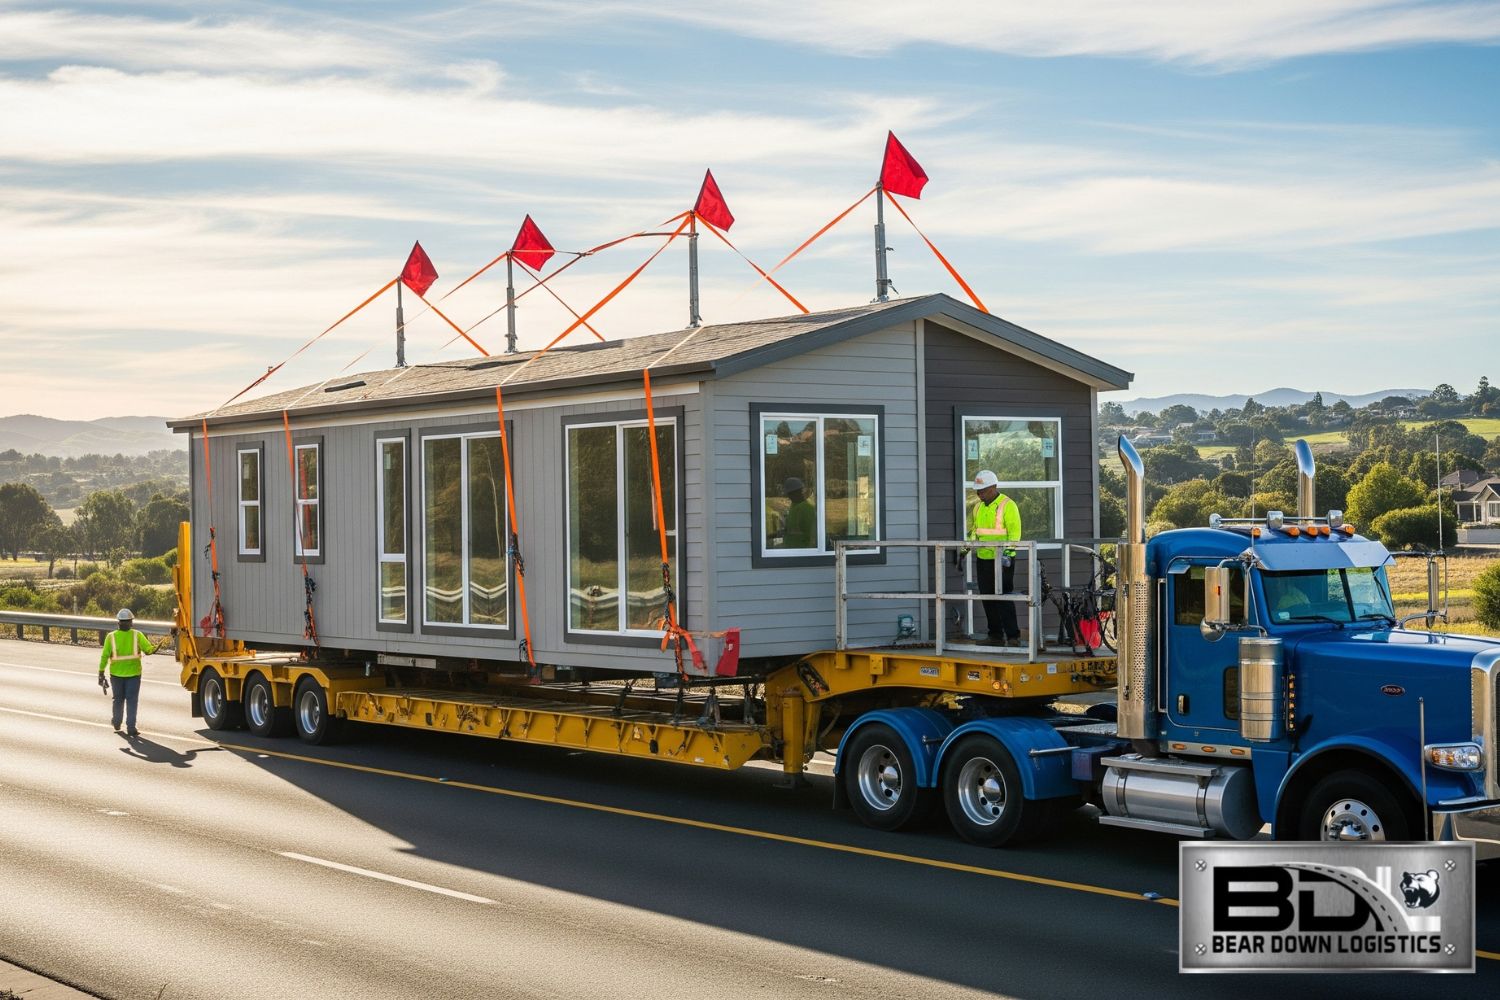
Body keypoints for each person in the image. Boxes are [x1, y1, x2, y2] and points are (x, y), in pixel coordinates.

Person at [965, 470, 1022, 644]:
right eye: (978, 491)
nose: (979, 494)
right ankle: (995, 635)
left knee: (1004, 597)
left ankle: (1013, 637)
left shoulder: (1007, 504)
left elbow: (1014, 532)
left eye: (982, 490)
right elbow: (975, 532)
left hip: (1003, 559)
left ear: (993, 487)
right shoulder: (978, 507)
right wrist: (964, 549)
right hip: (984, 558)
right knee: (987, 597)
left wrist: (1009, 553)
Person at [99, 608, 157, 738]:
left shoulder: (111, 637)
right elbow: (148, 650)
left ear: (118, 622)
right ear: (131, 622)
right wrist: (155, 648)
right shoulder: (137, 635)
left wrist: (101, 673)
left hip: (116, 675)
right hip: (133, 675)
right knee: (132, 700)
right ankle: (131, 728)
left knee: (118, 699)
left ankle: (117, 722)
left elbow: (104, 656)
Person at [782, 477, 817, 550]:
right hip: (790, 551)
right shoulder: (793, 505)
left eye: (790, 493)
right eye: (788, 494)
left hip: (802, 551)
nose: (789, 496)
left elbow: (812, 535)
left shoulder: (806, 508)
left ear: (798, 492)